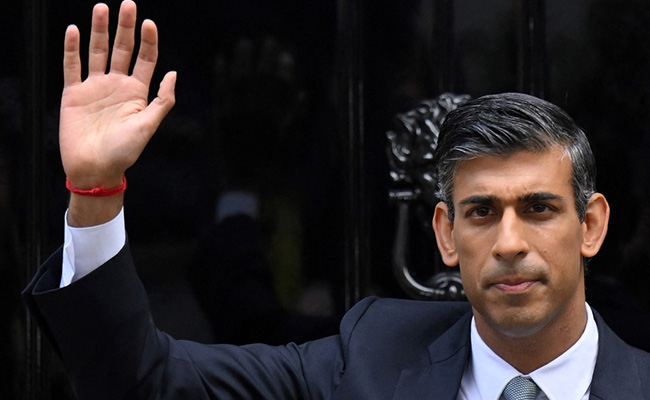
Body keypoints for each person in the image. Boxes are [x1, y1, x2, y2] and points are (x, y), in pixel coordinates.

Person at [22, 2, 650, 399]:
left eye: (539, 208)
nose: (509, 242)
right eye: (481, 212)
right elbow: (140, 381)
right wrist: (95, 192)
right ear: (446, 234)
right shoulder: (371, 358)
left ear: (591, 225)